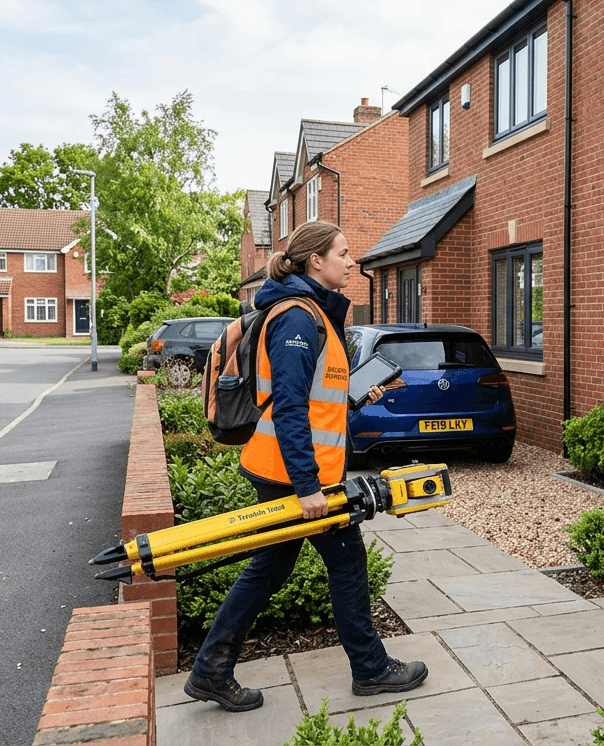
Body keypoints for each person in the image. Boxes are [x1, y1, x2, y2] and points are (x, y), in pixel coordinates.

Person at [183, 220, 428, 713]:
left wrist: (357, 397)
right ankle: (371, 668)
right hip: (292, 476)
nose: (350, 261)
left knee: (270, 569)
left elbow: (315, 402)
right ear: (315, 261)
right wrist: (309, 486)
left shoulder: (313, 313)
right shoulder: (297, 318)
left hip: (286, 470)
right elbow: (290, 408)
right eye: (342, 252)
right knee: (346, 563)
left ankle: (211, 669)